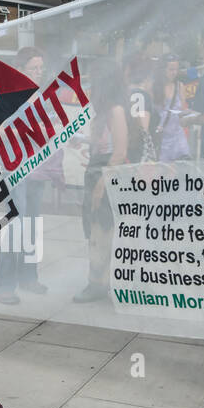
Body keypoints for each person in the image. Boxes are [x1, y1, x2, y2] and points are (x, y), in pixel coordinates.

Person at [0, 47, 51, 303]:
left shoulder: (39, 97)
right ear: (20, 70)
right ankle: (3, 286)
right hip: (15, 172)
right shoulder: (9, 97)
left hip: (37, 170)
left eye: (41, 68)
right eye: (33, 68)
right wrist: (32, 130)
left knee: (31, 227)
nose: (39, 72)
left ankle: (29, 277)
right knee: (15, 227)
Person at [74, 58, 131, 303]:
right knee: (94, 230)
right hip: (98, 172)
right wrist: (86, 143)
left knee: (102, 231)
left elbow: (120, 151)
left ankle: (97, 282)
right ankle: (98, 280)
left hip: (106, 176)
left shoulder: (116, 110)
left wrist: (101, 184)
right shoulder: (105, 110)